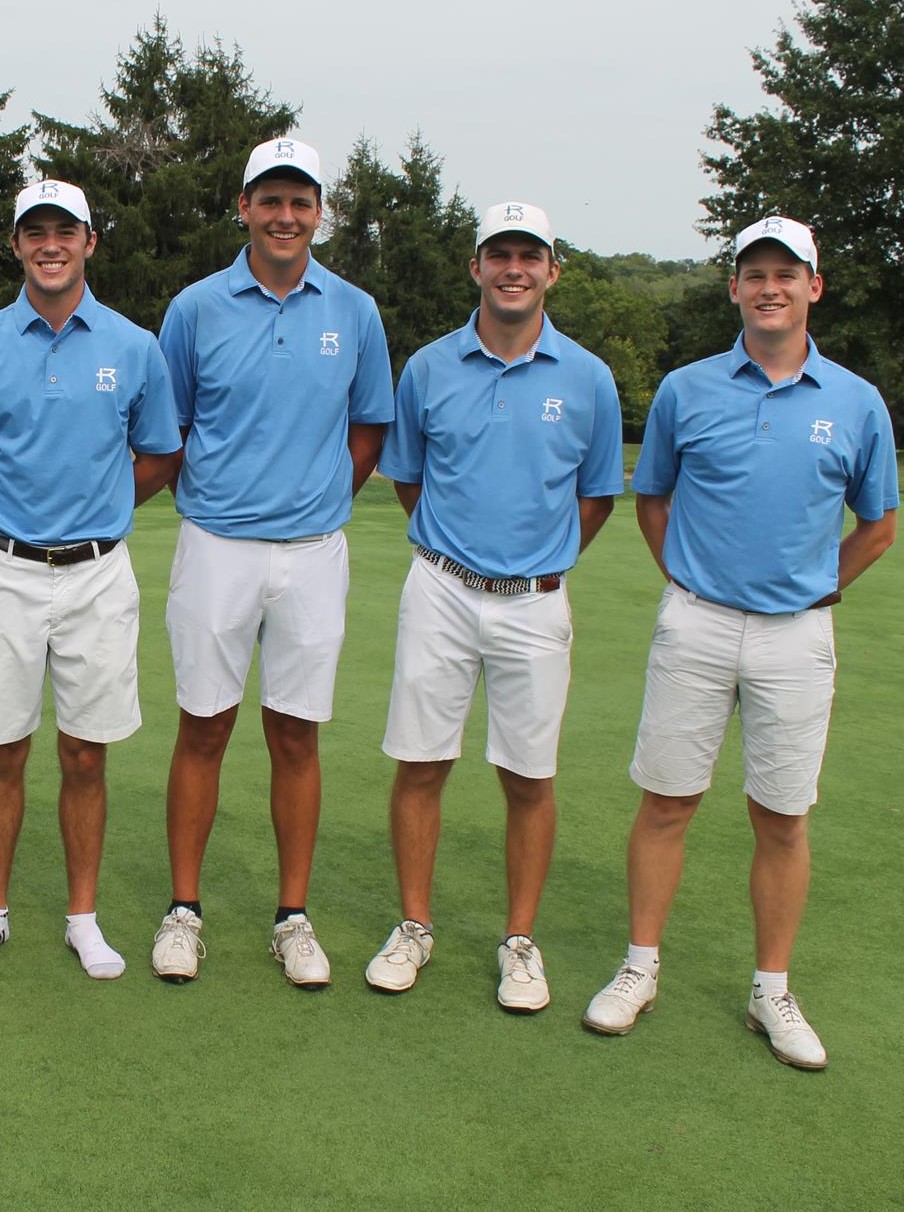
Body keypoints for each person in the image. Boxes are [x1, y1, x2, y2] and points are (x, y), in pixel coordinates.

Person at [582, 216, 898, 1069]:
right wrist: (685, 581)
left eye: (786, 274)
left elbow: (877, 525)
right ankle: (639, 967)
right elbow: (653, 498)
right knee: (666, 801)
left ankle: (771, 990)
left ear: (812, 287)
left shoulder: (855, 401)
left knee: (782, 817)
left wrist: (818, 586)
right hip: (697, 623)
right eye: (754, 274)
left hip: (796, 636)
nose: (769, 288)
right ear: (733, 288)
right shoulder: (686, 389)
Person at [365, 202, 623, 1012]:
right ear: (475, 266)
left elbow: (595, 496)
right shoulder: (428, 367)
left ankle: (519, 942)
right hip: (439, 590)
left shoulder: (587, 377)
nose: (514, 269)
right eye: (499, 255)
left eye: (528, 256)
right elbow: (409, 479)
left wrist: (536, 562)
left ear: (552, 271)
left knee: (528, 775)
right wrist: (459, 553)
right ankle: (413, 926)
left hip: (536, 602)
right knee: (420, 763)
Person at [151, 138, 393, 987]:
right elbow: (168, 428)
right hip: (214, 546)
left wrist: (316, 499)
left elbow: (368, 428)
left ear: (319, 212)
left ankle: (292, 918)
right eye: (269, 200)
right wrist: (226, 500)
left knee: (295, 733)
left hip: (314, 553)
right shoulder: (195, 308)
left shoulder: (354, 311)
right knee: (203, 725)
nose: (285, 216)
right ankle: (183, 911)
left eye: (300, 202)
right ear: (244, 208)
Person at [0, 180, 181, 979]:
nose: (50, 244)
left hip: (97, 575)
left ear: (89, 242)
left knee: (84, 754)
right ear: (15, 244)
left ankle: (83, 917)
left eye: (65, 231)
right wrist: (2, 507)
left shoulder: (132, 346)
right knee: (1, 749)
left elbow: (159, 454)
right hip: (4, 569)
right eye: (34, 231)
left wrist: (101, 509)